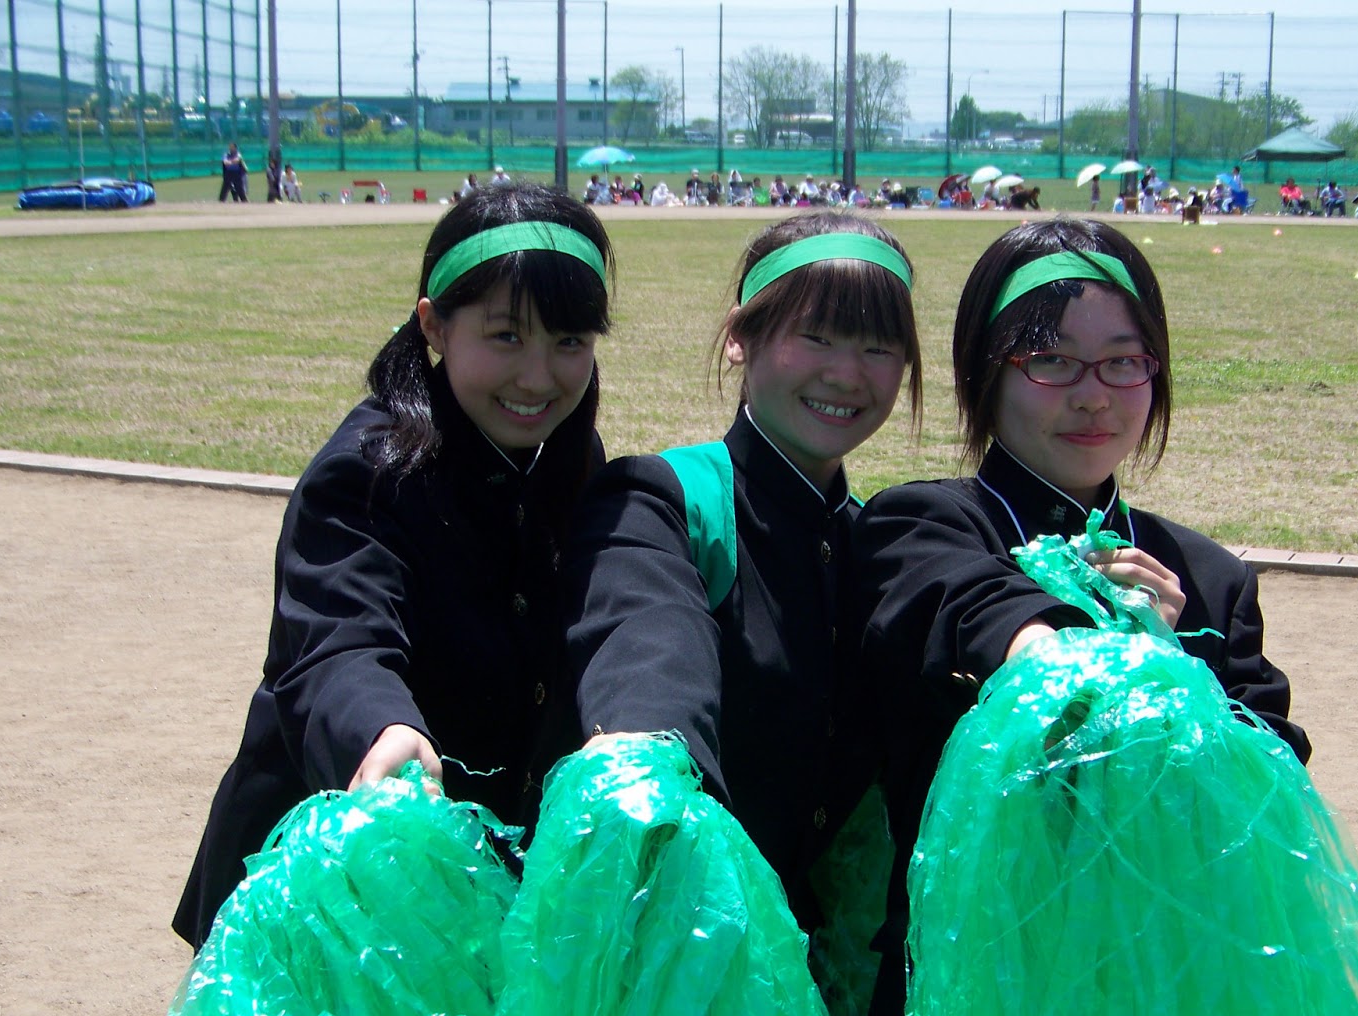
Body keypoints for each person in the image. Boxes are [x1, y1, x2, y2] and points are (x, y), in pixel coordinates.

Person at [849, 217, 1312, 1016]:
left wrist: (1179, 666)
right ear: (987, 372)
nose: (1091, 397)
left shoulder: (1207, 580)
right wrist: (1094, 655)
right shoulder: (925, 524)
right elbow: (967, 605)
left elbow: (1276, 788)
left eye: (1123, 362)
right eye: (1049, 360)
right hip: (970, 1012)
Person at [171, 184, 616, 950]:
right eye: (506, 336)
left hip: (479, 869)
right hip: (338, 879)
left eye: (569, 342)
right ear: (434, 323)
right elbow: (338, 639)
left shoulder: (566, 458)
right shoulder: (368, 471)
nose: (539, 377)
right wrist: (380, 729)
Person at [565, 210, 923, 934]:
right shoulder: (664, 497)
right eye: (815, 336)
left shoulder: (871, 540)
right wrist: (647, 748)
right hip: (666, 940)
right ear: (740, 337)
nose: (847, 374)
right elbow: (648, 636)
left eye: (878, 347)